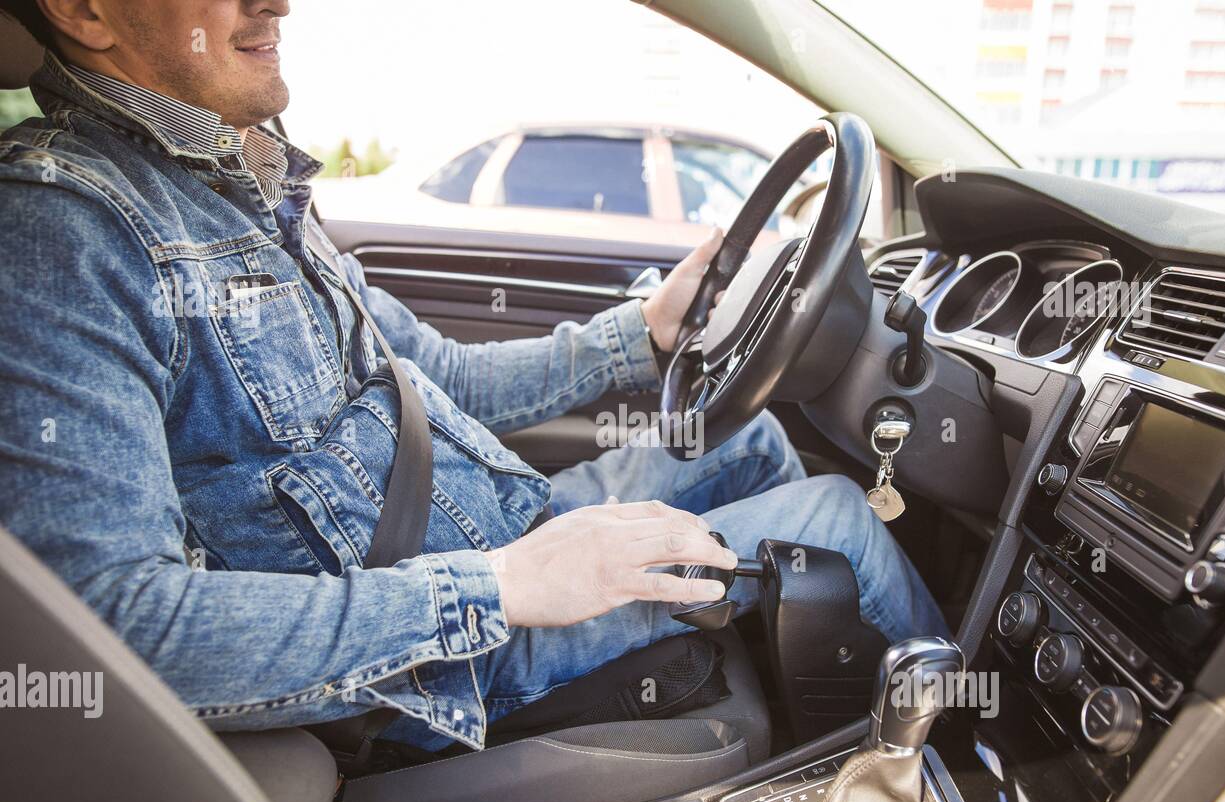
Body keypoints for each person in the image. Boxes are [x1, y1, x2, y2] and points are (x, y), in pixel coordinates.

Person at [0, 0, 947, 753]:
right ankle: (956, 769)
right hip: (440, 656)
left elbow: (441, 375)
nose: (277, 3)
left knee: (745, 436)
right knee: (839, 524)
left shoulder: (245, 191)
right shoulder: (63, 232)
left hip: (506, 526)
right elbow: (119, 629)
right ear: (85, 10)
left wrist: (645, 336)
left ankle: (804, 700)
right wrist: (497, 588)